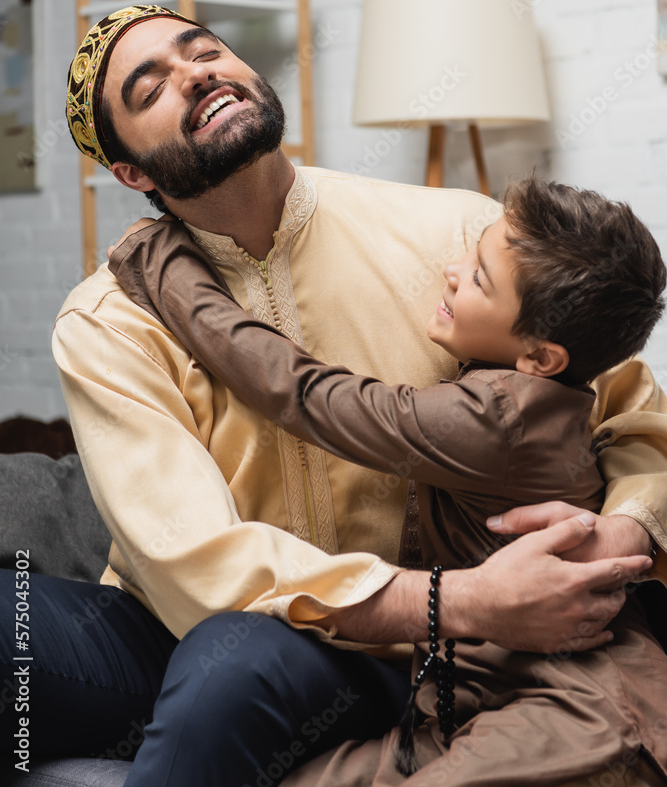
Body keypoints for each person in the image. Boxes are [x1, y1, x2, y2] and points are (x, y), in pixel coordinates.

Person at [1, 4, 664, 787]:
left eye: (202, 49)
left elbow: (631, 415)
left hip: (392, 652)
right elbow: (198, 567)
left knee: (233, 662)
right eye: (150, 89)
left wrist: (623, 536)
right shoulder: (107, 320)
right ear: (133, 174)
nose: (195, 73)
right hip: (186, 623)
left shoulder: (456, 232)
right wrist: (465, 598)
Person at [107, 173, 667, 785]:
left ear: (540, 356)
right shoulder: (528, 389)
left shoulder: (495, 418)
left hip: (583, 710)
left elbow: (306, 394)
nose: (451, 271)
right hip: (481, 701)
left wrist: (159, 260)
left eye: (479, 277)